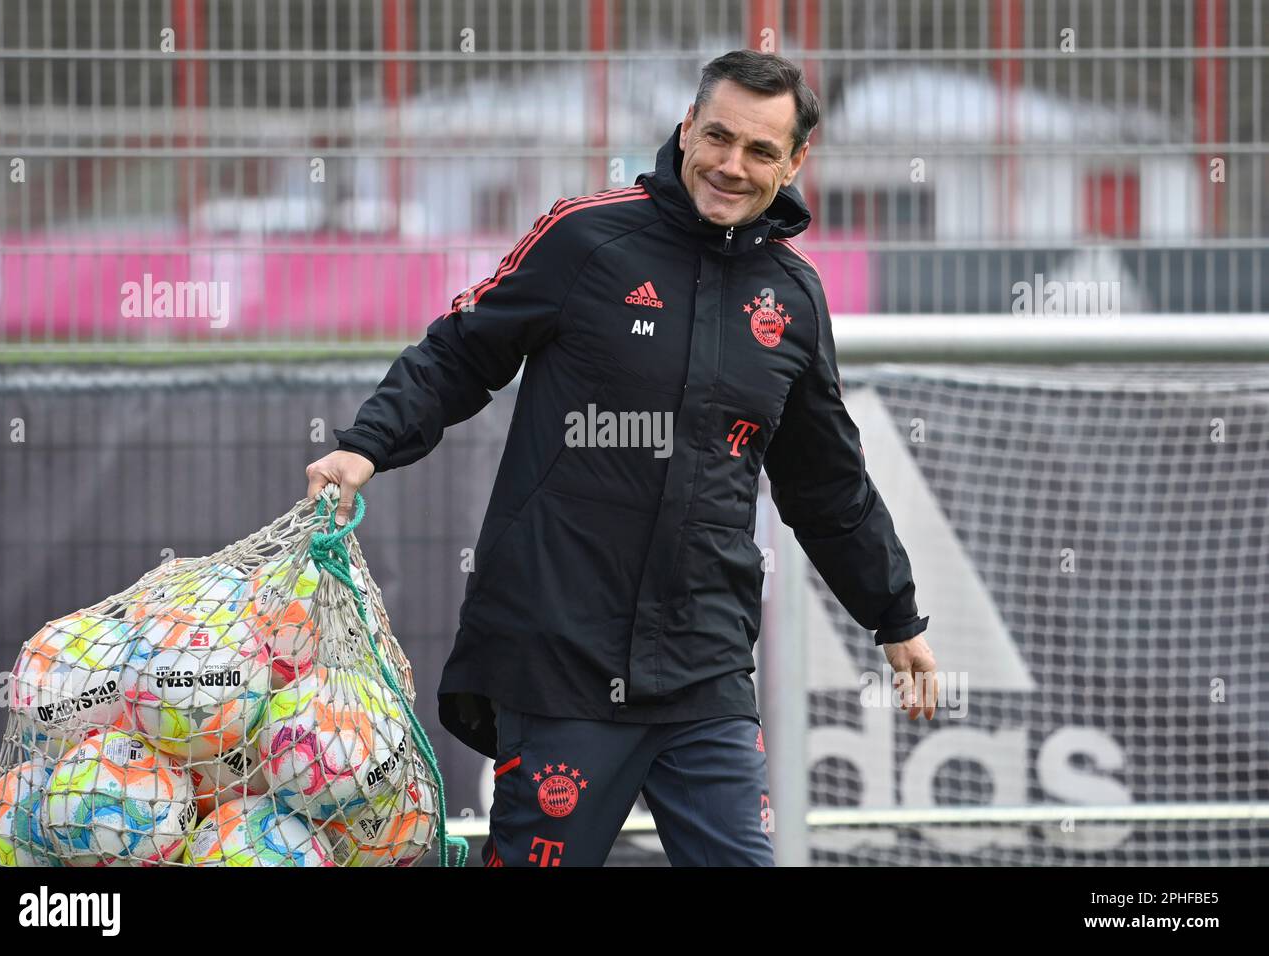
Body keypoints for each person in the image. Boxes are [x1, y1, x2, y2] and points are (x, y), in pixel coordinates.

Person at [306, 49, 938, 867]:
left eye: (760, 153)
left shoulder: (794, 297)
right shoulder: (585, 237)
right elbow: (462, 352)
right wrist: (366, 446)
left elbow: (827, 482)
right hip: (559, 658)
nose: (731, 166)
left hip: (705, 668)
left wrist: (894, 613)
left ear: (795, 163)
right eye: (718, 137)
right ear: (686, 128)